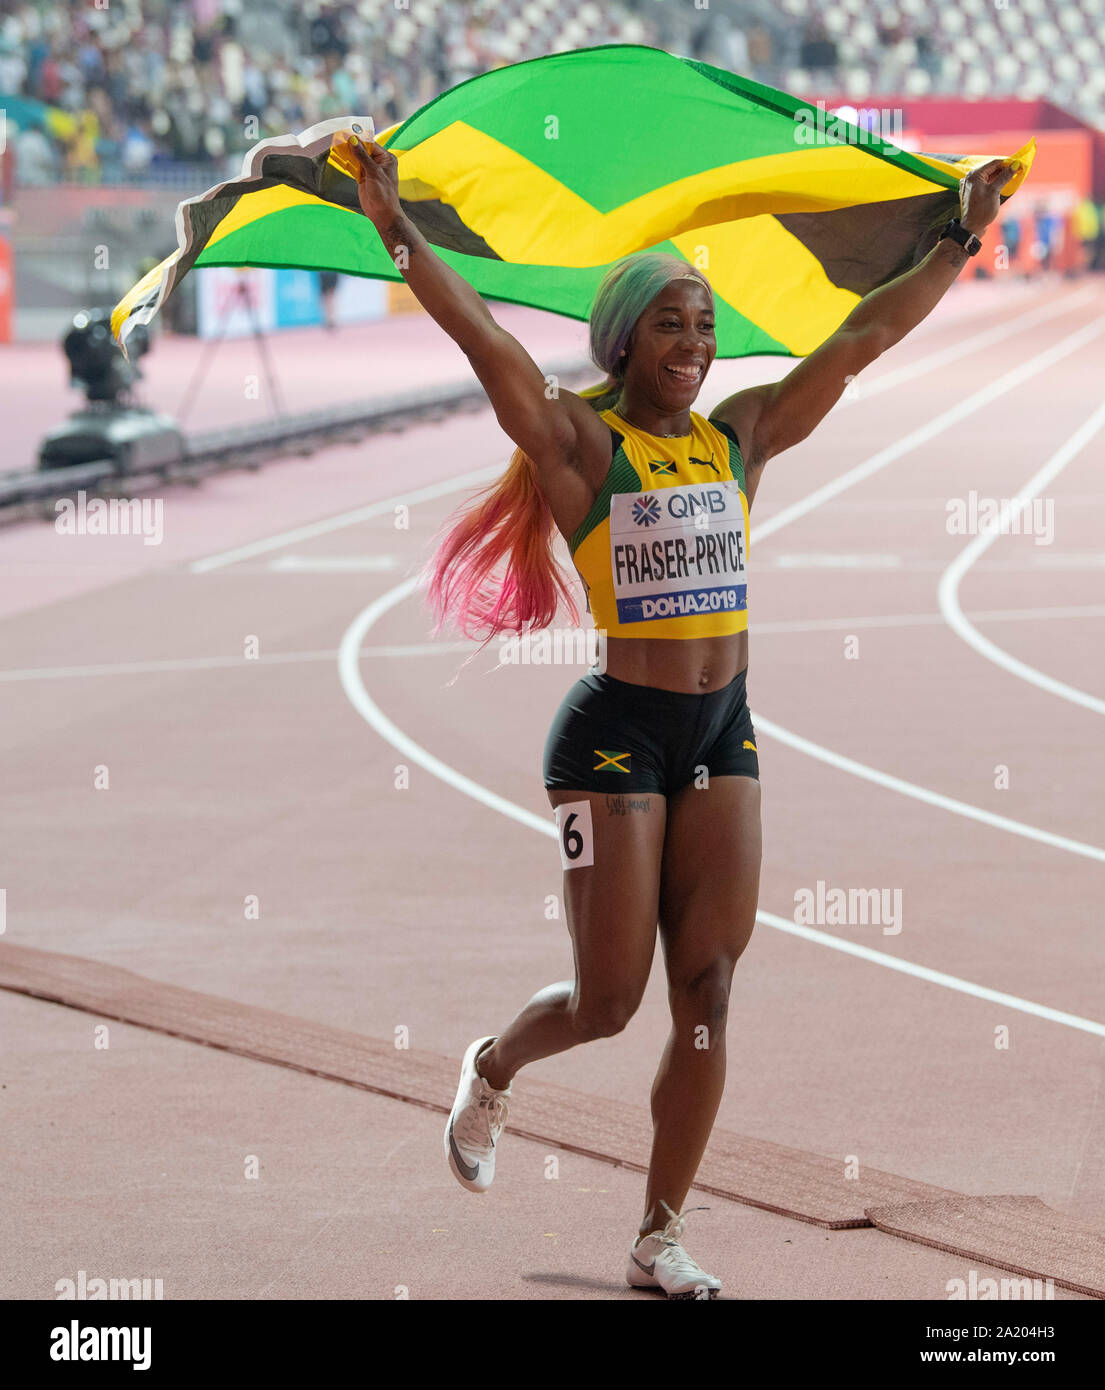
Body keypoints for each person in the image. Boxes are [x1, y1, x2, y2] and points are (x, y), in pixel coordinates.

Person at [347, 132, 1016, 1300]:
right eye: (672, 325)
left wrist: (960, 234)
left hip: (722, 735)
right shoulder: (579, 446)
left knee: (706, 990)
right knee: (607, 1004)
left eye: (705, 328)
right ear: (622, 340)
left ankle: (659, 1233)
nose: (696, 347)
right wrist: (394, 225)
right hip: (611, 740)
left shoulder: (738, 439)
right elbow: (484, 340)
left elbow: (861, 338)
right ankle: (495, 1065)